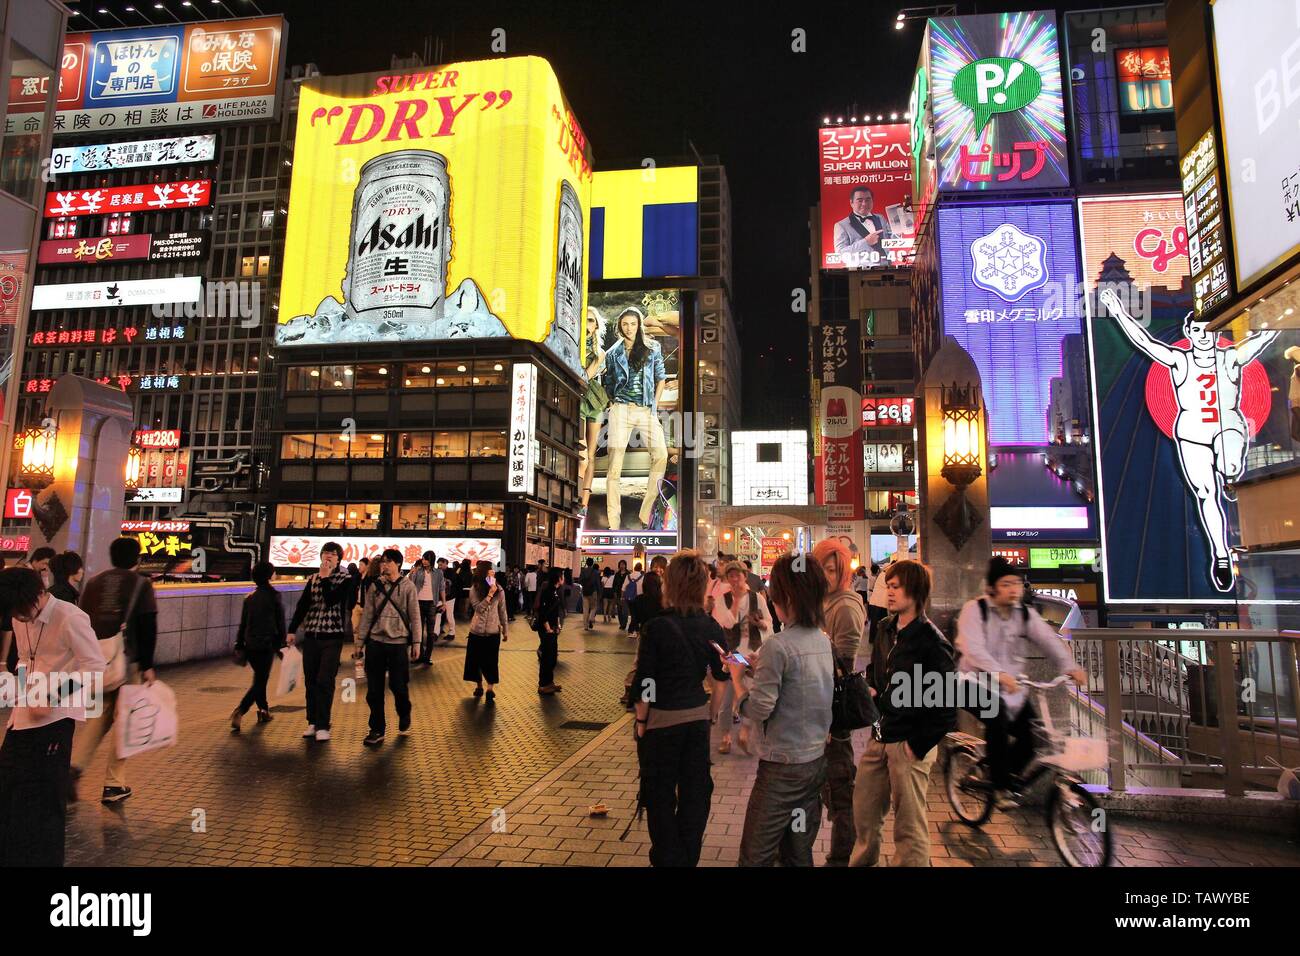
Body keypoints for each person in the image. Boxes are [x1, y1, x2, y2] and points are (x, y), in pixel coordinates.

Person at [1101, 288, 1279, 591]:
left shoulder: (1230, 357)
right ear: (1189, 333)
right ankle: (1221, 555)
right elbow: (1144, 342)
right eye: (1198, 330)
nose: (1204, 335)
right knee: (1206, 495)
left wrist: (1279, 303)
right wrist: (1117, 310)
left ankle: (1231, 477)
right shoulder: (1179, 361)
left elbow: (1263, 339)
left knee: (1231, 463)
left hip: (1228, 427)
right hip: (1191, 434)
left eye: (1209, 330)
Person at [955, 557, 1086, 808]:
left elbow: (1048, 640)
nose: (1013, 589)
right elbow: (972, 648)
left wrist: (1070, 667)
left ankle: (1002, 774)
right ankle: (1001, 784)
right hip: (971, 683)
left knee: (1032, 735)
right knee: (997, 718)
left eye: (1016, 583)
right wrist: (998, 673)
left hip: (1008, 687)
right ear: (992, 588)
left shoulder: (1023, 614)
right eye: (1006, 584)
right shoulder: (975, 610)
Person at [730, 553, 835, 867]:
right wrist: (761, 671)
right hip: (815, 763)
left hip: (781, 770)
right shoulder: (822, 640)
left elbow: (760, 708)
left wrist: (738, 682)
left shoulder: (778, 645)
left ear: (785, 597)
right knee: (797, 851)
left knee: (755, 856)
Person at [850, 560, 956, 867]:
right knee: (865, 817)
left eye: (896, 587)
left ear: (915, 591)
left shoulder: (932, 643)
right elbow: (874, 670)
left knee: (909, 828)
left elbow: (947, 709)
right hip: (879, 737)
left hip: (908, 745)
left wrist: (916, 746)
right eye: (888, 586)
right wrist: (870, 687)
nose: (890, 593)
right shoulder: (884, 629)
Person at [0, 567, 105, 866]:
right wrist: (21, 693)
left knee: (45, 802)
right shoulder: (20, 617)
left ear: (35, 596)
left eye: (20, 611)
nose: (18, 618)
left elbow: (95, 666)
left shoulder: (70, 617)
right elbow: (23, 658)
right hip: (22, 717)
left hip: (55, 720)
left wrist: (52, 696)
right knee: (8, 793)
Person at [633, 551, 730, 866]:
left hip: (661, 725)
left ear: (669, 585)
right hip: (696, 723)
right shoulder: (710, 626)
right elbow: (722, 674)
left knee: (659, 796)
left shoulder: (656, 627)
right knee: (695, 795)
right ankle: (686, 857)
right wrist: (713, 712)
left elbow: (645, 682)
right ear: (703, 586)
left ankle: (667, 857)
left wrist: (641, 722)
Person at [73, 536, 158, 804]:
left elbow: (81, 623)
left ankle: (73, 767)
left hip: (97, 661)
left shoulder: (94, 583)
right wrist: (148, 665)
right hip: (127, 661)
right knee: (125, 720)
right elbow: (147, 626)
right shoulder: (141, 584)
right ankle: (113, 783)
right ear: (137, 558)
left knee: (99, 715)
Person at [812, 538, 867, 867]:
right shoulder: (822, 601)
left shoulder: (844, 605)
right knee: (817, 789)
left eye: (833, 569)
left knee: (840, 791)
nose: (826, 574)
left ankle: (842, 857)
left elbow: (842, 668)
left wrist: (829, 722)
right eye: (821, 568)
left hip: (832, 715)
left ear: (844, 571)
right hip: (814, 711)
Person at [600, 306, 669, 531]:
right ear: (620, 327)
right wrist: (612, 403)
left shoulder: (652, 348)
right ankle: (613, 521)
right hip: (621, 408)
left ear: (639, 324)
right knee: (614, 464)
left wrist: (654, 406)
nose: (629, 328)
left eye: (633, 323)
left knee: (660, 454)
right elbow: (608, 381)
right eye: (625, 324)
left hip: (646, 409)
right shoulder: (613, 353)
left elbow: (661, 377)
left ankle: (645, 511)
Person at [287, 541, 354, 742]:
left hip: (332, 637)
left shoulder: (346, 579)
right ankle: (312, 721)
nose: (328, 557)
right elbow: (302, 605)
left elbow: (332, 599)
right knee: (311, 680)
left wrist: (325, 579)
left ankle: (324, 724)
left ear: (339, 559)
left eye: (332, 554)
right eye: (325, 553)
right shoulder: (313, 579)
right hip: (311, 636)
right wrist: (291, 630)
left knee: (325, 680)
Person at [356, 548, 420, 747]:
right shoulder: (375, 586)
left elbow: (415, 616)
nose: (384, 565)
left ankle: (404, 711)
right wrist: (359, 643)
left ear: (398, 564)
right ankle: (377, 729)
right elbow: (367, 615)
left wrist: (416, 642)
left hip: (398, 644)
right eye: (383, 562)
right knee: (374, 690)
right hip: (375, 642)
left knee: (398, 686)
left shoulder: (408, 587)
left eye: (389, 562)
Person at [712, 560, 774, 754]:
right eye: (731, 576)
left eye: (738, 575)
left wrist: (761, 624)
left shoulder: (757, 599)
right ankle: (726, 736)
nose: (735, 579)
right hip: (734, 654)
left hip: (755, 652)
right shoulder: (723, 600)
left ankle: (744, 734)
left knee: (753, 695)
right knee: (729, 694)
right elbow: (727, 624)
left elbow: (770, 624)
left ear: (745, 576)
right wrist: (736, 601)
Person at [230, 561, 285, 733]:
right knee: (260, 681)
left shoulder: (250, 597)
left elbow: (243, 623)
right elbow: (280, 623)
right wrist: (281, 645)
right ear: (269, 575)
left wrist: (239, 644)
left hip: (250, 644)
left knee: (260, 678)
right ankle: (240, 710)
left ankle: (264, 711)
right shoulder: (274, 596)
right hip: (266, 644)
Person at [578, 306, 610, 519]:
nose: (587, 324)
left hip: (594, 398)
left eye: (591, 320)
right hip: (577, 397)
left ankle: (584, 503)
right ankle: (576, 496)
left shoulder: (599, 352)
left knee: (590, 453)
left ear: (596, 324)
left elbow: (586, 375)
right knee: (581, 453)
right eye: (585, 320)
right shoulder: (575, 343)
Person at [465, 560, 508, 703]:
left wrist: (505, 630)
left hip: (492, 632)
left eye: (493, 572)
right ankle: (479, 686)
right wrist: (489, 595)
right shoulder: (474, 589)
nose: (493, 574)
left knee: (491, 661)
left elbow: (502, 611)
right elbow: (478, 608)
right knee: (476, 661)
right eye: (490, 572)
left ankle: (490, 689)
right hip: (476, 631)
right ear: (484, 573)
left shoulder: (499, 589)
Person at [832, 185, 894, 266]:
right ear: (851, 202)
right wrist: (865, 242)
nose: (864, 204)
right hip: (860, 273)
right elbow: (841, 254)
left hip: (888, 269)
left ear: (872, 201)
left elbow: (889, 239)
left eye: (868, 200)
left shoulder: (880, 218)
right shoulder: (841, 225)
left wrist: (898, 231)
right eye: (860, 200)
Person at [535, 569, 564, 695]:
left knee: (552, 657)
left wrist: (557, 625)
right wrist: (548, 628)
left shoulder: (555, 591)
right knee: (547, 657)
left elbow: (555, 611)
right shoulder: (548, 592)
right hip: (546, 629)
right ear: (558, 578)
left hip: (552, 629)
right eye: (562, 576)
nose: (563, 578)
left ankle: (549, 682)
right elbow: (543, 611)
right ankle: (543, 685)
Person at [410, 551, 441, 665]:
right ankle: (419, 655)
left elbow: (441, 587)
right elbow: (411, 585)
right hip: (419, 602)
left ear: (431, 560)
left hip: (432, 604)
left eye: (426, 559)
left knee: (430, 632)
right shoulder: (418, 571)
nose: (423, 561)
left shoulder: (438, 573)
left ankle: (428, 656)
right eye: (422, 559)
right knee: (418, 630)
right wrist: (412, 574)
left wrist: (442, 602)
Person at [623, 562, 644, 635]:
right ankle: (631, 629)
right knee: (637, 614)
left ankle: (636, 629)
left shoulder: (628, 576)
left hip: (629, 598)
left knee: (633, 613)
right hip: (639, 597)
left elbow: (623, 588)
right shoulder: (642, 577)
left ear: (634, 568)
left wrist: (622, 597)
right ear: (641, 569)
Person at [580, 558, 601, 629]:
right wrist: (599, 592)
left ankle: (585, 626)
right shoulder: (595, 572)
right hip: (593, 591)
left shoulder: (583, 571)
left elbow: (580, 581)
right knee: (594, 607)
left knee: (585, 609)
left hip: (585, 591)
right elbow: (598, 583)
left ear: (586, 562)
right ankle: (591, 618)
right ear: (592, 563)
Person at [612, 560, 630, 630]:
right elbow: (614, 584)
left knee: (625, 610)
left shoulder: (628, 574)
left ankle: (624, 624)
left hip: (625, 594)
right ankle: (621, 623)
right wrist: (614, 593)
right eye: (621, 564)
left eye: (623, 564)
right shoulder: (617, 574)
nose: (622, 566)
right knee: (619, 610)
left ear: (625, 565)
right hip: (618, 594)